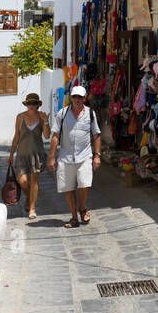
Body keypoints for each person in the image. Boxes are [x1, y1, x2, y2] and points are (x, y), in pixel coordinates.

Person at [48, 85, 102, 227]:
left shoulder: (90, 114)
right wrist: (52, 157)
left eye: (80, 97)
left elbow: (96, 135)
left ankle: (82, 207)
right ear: (70, 98)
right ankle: (73, 217)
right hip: (66, 157)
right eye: (74, 97)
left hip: (84, 156)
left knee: (84, 183)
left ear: (85, 98)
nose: (77, 99)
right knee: (68, 187)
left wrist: (97, 156)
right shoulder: (62, 113)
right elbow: (55, 136)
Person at [11, 93, 48, 219]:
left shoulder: (42, 117)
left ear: (38, 105)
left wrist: (46, 121)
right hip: (21, 154)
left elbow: (47, 136)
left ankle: (32, 208)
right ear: (26, 104)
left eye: (34, 103)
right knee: (22, 181)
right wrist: (11, 154)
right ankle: (29, 196)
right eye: (29, 103)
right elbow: (16, 136)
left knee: (34, 181)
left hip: (36, 154)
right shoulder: (20, 117)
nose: (31, 106)